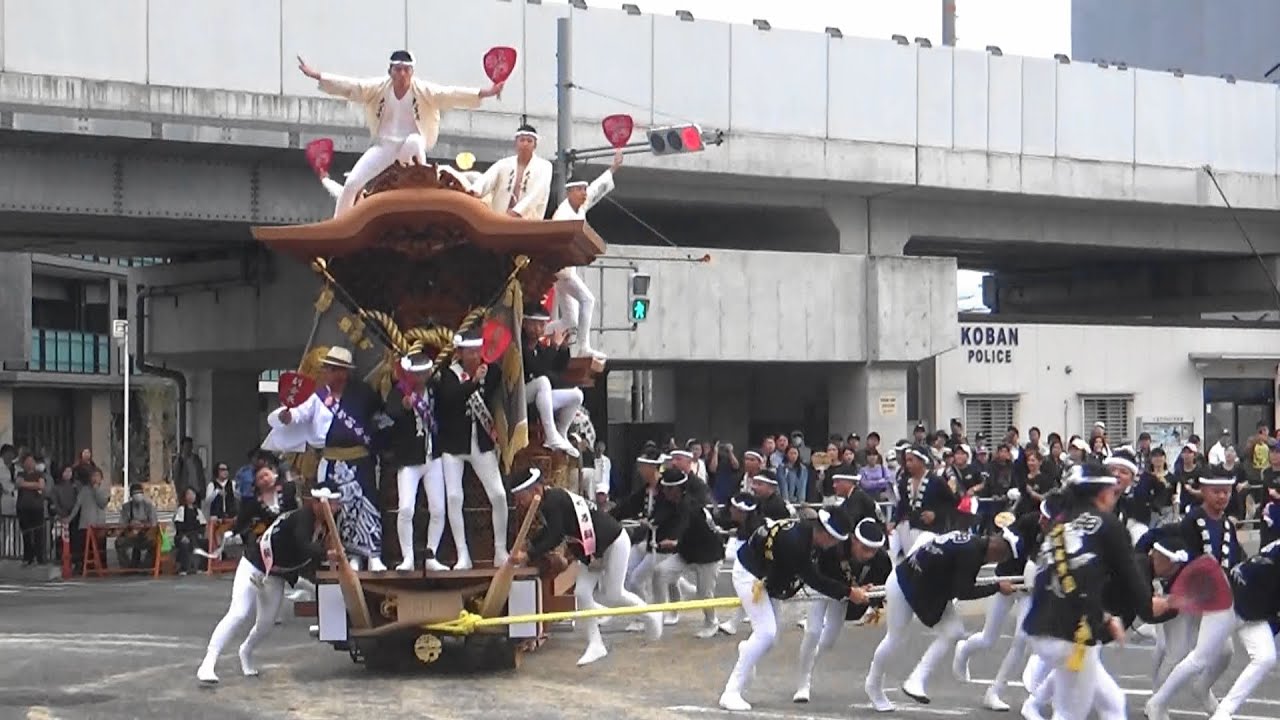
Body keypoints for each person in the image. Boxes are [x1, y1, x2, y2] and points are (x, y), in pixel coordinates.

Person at [1022, 462, 1168, 720]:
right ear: (1102, 493)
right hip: (1072, 635)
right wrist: (1164, 604)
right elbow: (1136, 586)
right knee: (1070, 714)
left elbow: (1074, 583)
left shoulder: (1061, 524)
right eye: (1112, 490)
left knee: (1112, 704)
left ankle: (1034, 703)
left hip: (1038, 628)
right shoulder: (1108, 525)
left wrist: (1105, 617)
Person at [297, 50, 504, 215]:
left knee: (414, 141)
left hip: (412, 148)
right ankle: (338, 229)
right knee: (351, 184)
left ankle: (422, 184)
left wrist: (486, 92)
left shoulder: (423, 90)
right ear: (390, 71)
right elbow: (351, 86)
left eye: (406, 70)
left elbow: (451, 94)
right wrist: (317, 76)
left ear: (412, 72)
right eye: (398, 69)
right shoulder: (378, 88)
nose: (402, 74)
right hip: (385, 147)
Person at [509, 467, 660, 665]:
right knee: (582, 593)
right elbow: (551, 531)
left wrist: (529, 553)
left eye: (521, 497)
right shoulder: (550, 500)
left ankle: (652, 614)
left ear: (535, 491)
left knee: (614, 594)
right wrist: (530, 545)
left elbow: (555, 535)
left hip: (612, 541)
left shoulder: (553, 500)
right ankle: (596, 643)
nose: (520, 503)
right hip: (593, 550)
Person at [718, 508, 864, 711]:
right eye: (834, 540)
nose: (834, 545)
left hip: (767, 577)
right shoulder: (795, 543)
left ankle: (746, 651)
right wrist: (849, 592)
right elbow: (813, 579)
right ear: (824, 534)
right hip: (749, 575)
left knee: (770, 638)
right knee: (766, 633)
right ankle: (730, 692)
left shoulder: (805, 532)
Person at [864, 526, 1019, 711]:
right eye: (1003, 557)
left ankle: (917, 679)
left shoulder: (974, 542)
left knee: (953, 631)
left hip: (925, 588)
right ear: (997, 553)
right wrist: (997, 587)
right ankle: (873, 684)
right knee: (895, 639)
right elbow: (963, 591)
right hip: (904, 584)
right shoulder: (972, 554)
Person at [197, 488, 338, 683]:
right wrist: (325, 554)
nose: (335, 508)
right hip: (254, 564)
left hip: (276, 574)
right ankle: (208, 663)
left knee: (266, 623)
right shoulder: (302, 518)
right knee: (238, 612)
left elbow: (308, 561)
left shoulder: (326, 525)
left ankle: (246, 650)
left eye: (336, 504)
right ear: (316, 503)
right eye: (331, 503)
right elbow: (303, 545)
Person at [267, 347, 387, 571]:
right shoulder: (318, 397)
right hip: (330, 462)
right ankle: (350, 555)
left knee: (366, 505)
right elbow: (298, 413)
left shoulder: (363, 393)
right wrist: (287, 415)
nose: (325, 373)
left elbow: (379, 418)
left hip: (361, 461)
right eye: (325, 369)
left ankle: (373, 554)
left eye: (330, 369)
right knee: (337, 511)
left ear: (343, 372)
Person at [1144, 469, 1245, 720]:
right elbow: (1168, 552)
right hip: (1183, 595)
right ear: (1203, 491)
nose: (1222, 496)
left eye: (1226, 491)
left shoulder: (1226, 525)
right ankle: (1157, 702)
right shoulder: (1190, 522)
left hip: (1214, 600)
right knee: (1177, 652)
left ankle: (1202, 689)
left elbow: (1235, 558)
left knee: (1225, 651)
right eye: (1216, 491)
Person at [954, 493, 1063, 711]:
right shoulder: (1028, 522)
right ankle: (964, 649)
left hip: (1029, 590)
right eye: (1042, 515)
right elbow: (1004, 543)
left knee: (1021, 639)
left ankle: (995, 691)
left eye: (1048, 519)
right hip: (1004, 581)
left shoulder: (1063, 538)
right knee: (988, 638)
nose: (1042, 521)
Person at [794, 517, 890, 703]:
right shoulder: (833, 547)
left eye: (874, 551)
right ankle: (803, 682)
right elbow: (819, 576)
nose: (869, 555)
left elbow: (881, 585)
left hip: (845, 595)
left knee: (828, 640)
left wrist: (870, 597)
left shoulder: (882, 560)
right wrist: (853, 588)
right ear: (853, 539)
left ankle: (809, 665)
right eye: (865, 549)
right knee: (813, 632)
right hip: (820, 587)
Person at [432, 328, 507, 568]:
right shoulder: (447, 375)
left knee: (498, 494)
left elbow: (500, 392)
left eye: (478, 351)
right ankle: (462, 554)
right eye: (470, 352)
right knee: (454, 497)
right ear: (459, 353)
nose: (475, 356)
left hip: (481, 442)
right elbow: (449, 399)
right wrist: (473, 383)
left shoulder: (491, 372)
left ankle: (500, 550)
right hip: (453, 444)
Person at [546, 149, 623, 359]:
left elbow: (597, 189)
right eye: (580, 189)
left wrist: (613, 169)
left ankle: (535, 331)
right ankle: (583, 346)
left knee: (570, 321)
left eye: (584, 189)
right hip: (562, 271)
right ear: (570, 192)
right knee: (588, 300)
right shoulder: (563, 214)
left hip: (565, 272)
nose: (584, 193)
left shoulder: (578, 207)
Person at [1204, 539, 1280, 720]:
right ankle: (1158, 702)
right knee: (1198, 658)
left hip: (1255, 610)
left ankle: (1223, 712)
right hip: (1232, 598)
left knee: (1265, 657)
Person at [385, 347, 446, 571]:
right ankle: (407, 557)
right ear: (408, 374)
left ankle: (431, 555)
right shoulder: (398, 392)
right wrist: (403, 408)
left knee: (438, 508)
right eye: (416, 374)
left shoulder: (435, 390)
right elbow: (388, 414)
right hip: (409, 460)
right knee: (406, 509)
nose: (420, 378)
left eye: (424, 374)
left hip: (433, 457)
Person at [653, 469, 724, 639]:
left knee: (704, 593)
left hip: (708, 555)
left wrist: (675, 543)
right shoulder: (674, 504)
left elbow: (694, 531)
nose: (664, 492)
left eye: (668, 489)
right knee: (661, 572)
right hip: (687, 553)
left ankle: (712, 622)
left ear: (677, 489)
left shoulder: (691, 507)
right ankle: (659, 614)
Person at [520, 309, 582, 457]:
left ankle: (561, 432)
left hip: (540, 399)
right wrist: (553, 347)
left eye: (542, 325)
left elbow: (556, 371)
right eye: (535, 324)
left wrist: (563, 348)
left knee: (576, 395)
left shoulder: (541, 348)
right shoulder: (519, 345)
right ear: (525, 324)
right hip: (520, 397)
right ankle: (551, 434)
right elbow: (538, 369)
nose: (539, 329)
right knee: (542, 382)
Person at [887, 445, 957, 561]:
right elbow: (902, 505)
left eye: (911, 460)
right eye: (906, 460)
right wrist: (893, 521)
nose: (908, 464)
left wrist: (935, 514)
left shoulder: (936, 481)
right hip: (910, 530)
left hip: (931, 531)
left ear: (922, 461)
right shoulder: (904, 482)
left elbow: (951, 504)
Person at [471, 124, 553, 220]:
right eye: (522, 140)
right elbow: (486, 180)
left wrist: (516, 212)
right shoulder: (503, 164)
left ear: (535, 145)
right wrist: (473, 191)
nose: (525, 144)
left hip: (529, 223)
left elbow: (538, 192)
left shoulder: (545, 166)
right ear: (516, 143)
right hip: (500, 219)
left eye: (529, 141)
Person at [714, 492, 766, 636]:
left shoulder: (756, 532)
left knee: (753, 593)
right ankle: (735, 623)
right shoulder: (746, 526)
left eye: (733, 508)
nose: (730, 510)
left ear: (742, 512)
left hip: (759, 569)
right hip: (753, 568)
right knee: (750, 593)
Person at [116, 482, 158, 569]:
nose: (138, 495)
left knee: (154, 542)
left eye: (139, 493)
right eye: (135, 493)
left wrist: (143, 525)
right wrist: (130, 525)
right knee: (119, 542)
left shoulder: (149, 506)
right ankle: (127, 568)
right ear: (131, 495)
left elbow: (154, 523)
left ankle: (147, 566)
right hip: (131, 534)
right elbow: (122, 523)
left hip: (146, 535)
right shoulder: (126, 507)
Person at [173, 487, 208, 576]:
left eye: (193, 494)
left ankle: (201, 567)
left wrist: (201, 534)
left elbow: (202, 525)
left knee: (204, 542)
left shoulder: (198, 511)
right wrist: (183, 536)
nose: (191, 496)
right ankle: (183, 568)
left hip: (195, 534)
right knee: (184, 544)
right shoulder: (181, 509)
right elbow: (178, 525)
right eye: (188, 494)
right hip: (183, 534)